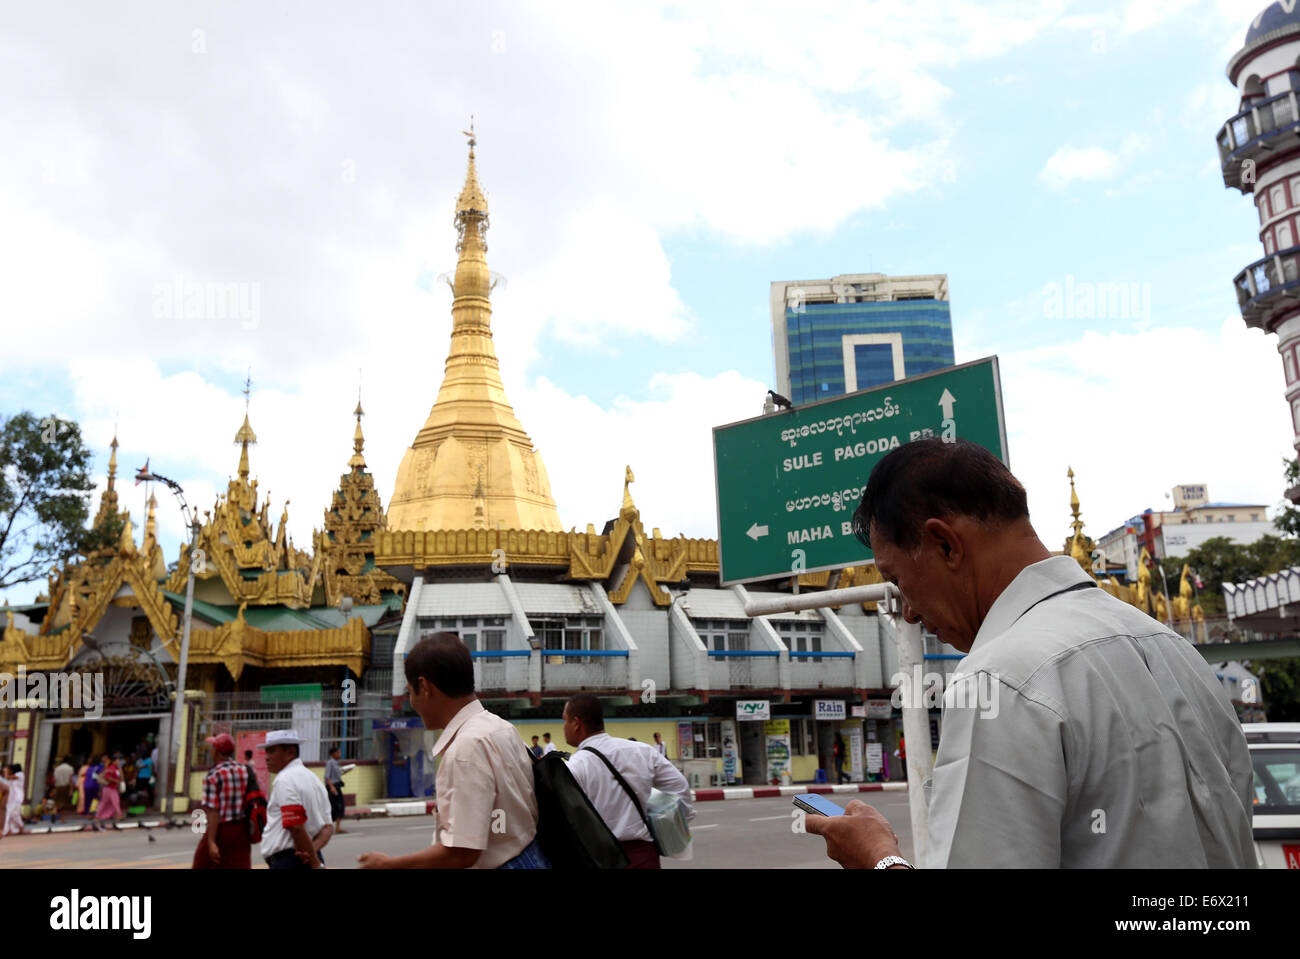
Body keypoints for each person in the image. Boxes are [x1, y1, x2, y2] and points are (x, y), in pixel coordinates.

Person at [805, 438, 1255, 869]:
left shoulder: (1000, 679)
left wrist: (878, 858)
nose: (907, 613)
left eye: (899, 580)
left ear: (945, 545)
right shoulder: (1177, 651)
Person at [357, 633, 546, 869]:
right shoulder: (500, 727)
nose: (411, 702)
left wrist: (388, 864)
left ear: (424, 687)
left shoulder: (466, 749)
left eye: (410, 692)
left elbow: (462, 852)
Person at [563, 693, 694, 869]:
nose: (564, 727)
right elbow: (679, 786)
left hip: (602, 856)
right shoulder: (641, 751)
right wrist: (675, 823)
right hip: (644, 855)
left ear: (576, 724)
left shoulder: (576, 766)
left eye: (565, 720)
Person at [258, 730, 333, 869]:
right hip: (306, 857)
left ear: (290, 752)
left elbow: (296, 825)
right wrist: (312, 853)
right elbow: (328, 827)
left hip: (290, 861)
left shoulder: (285, 779)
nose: (267, 757)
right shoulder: (314, 779)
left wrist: (314, 863)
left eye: (272, 751)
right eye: (266, 752)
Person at [192, 733, 251, 869]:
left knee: (201, 864)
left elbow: (213, 811)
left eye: (212, 747)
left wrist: (211, 842)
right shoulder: (244, 770)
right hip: (241, 830)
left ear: (216, 751)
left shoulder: (213, 775)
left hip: (221, 830)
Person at [92, 754, 123, 830]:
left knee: (108, 802)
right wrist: (116, 781)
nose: (119, 762)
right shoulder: (111, 768)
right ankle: (118, 814)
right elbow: (107, 777)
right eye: (118, 760)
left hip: (112, 788)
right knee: (112, 802)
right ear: (114, 761)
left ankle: (100, 816)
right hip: (109, 788)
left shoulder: (116, 768)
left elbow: (121, 777)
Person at [324, 746, 347, 834]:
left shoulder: (336, 763)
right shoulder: (330, 763)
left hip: (337, 786)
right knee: (334, 806)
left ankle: (337, 827)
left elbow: (337, 775)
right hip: (332, 787)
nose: (339, 754)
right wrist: (332, 787)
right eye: (338, 752)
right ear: (332, 754)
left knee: (340, 806)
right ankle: (329, 826)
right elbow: (327, 777)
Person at [1, 764, 24, 836]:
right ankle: (9, 830)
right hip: (11, 798)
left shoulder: (20, 774)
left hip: (17, 797)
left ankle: (20, 827)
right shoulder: (10, 777)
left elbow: (7, 777)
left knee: (13, 813)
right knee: (9, 813)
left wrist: (5, 771)